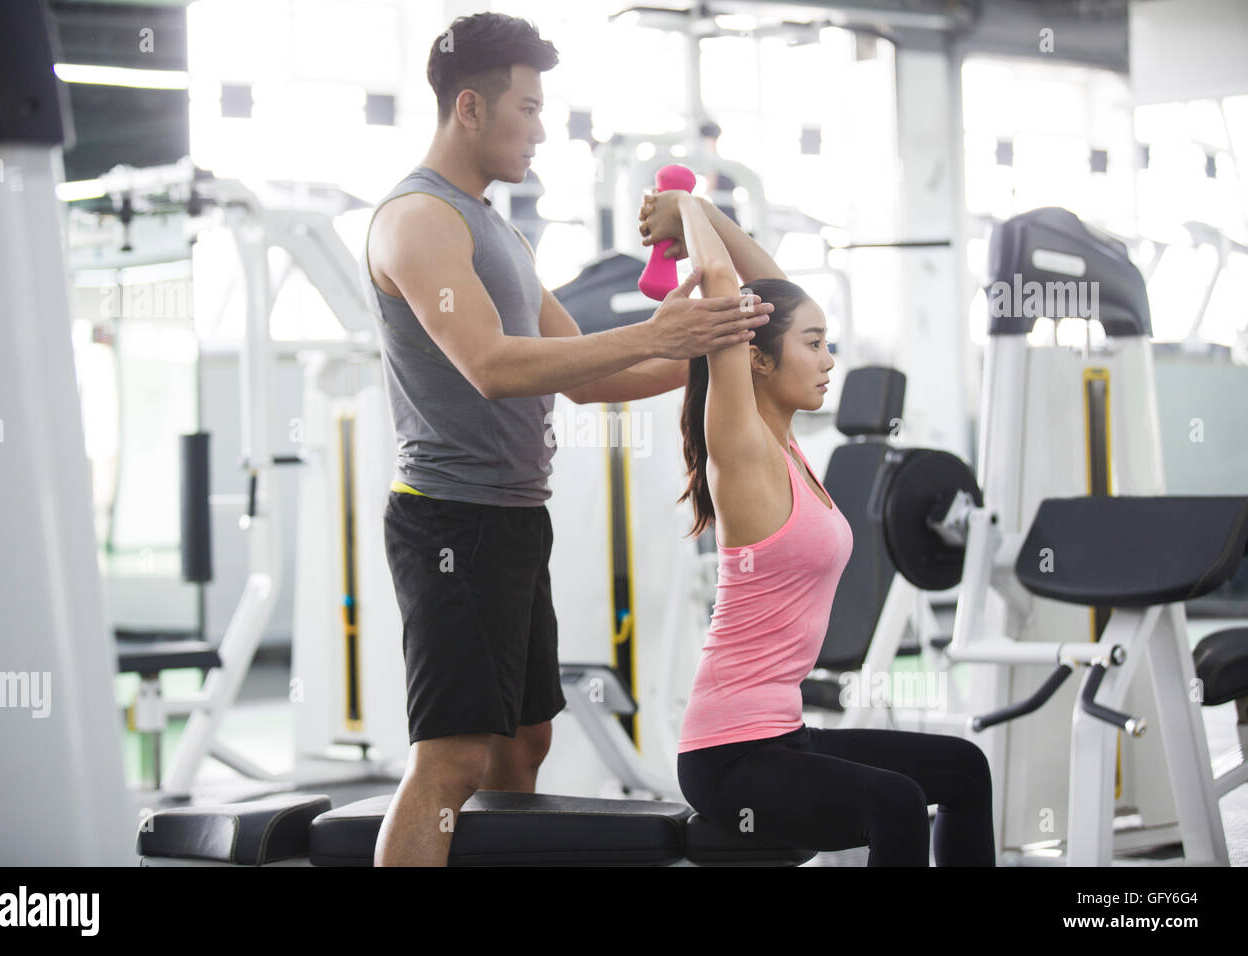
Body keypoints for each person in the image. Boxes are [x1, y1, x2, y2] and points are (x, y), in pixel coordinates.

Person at [361, 12, 774, 867]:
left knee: (524, 745)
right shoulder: (419, 219)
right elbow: (488, 364)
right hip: (451, 521)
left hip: (514, 517)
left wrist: (715, 351)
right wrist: (658, 333)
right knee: (452, 759)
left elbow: (584, 376)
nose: (541, 131)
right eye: (528, 109)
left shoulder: (497, 230)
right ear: (470, 107)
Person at [639, 188, 996, 866]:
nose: (830, 359)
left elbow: (775, 295)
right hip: (728, 756)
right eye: (814, 344)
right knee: (894, 802)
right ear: (758, 359)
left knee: (963, 768)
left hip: (784, 735)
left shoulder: (791, 449)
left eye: (827, 341)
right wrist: (685, 206)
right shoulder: (743, 448)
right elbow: (727, 290)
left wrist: (707, 215)